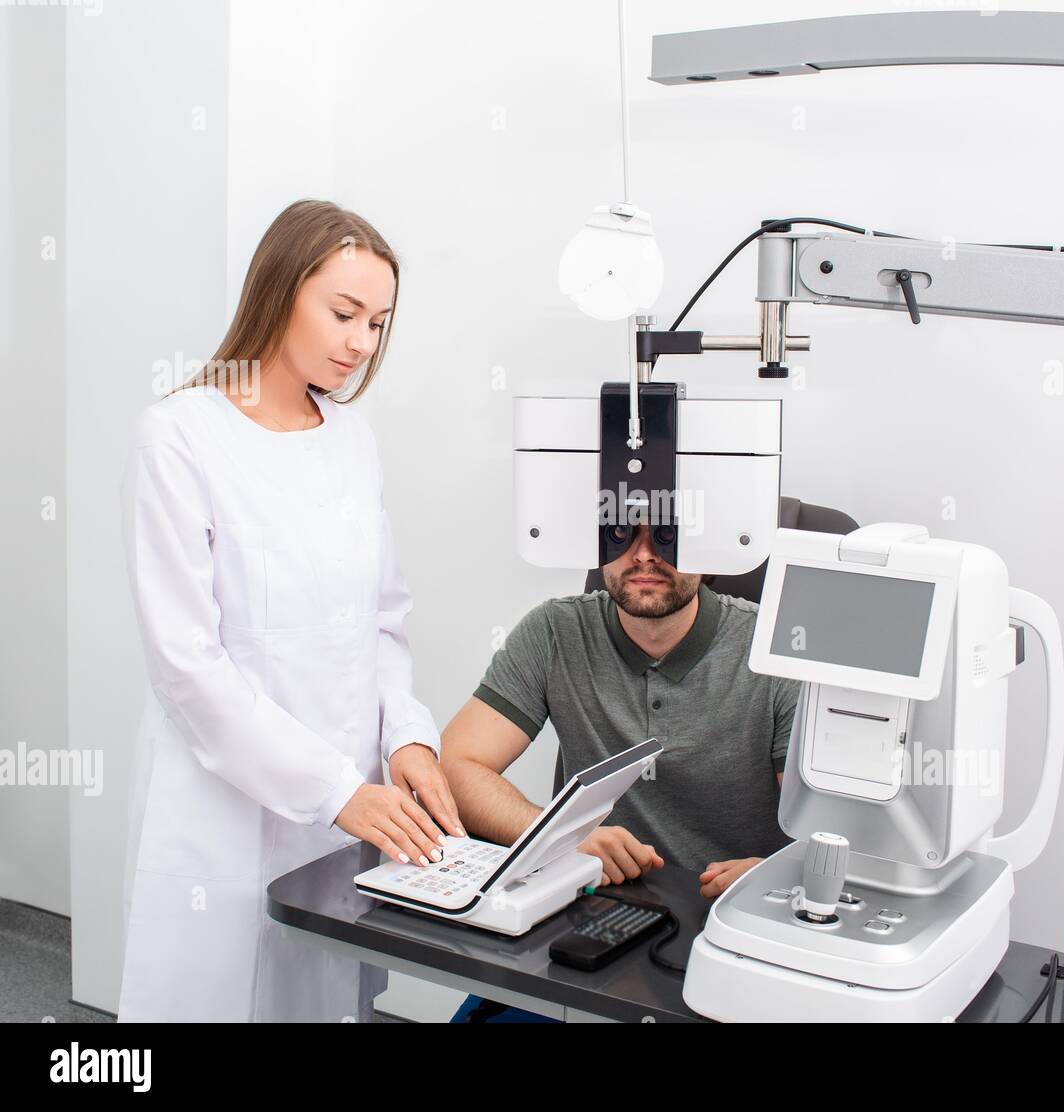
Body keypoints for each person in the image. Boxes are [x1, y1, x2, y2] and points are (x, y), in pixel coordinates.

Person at [118, 199, 462, 1022]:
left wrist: (406, 736)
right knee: (215, 998)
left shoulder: (350, 437)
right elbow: (187, 666)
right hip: (223, 805)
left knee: (316, 999)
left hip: (342, 807)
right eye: (343, 314)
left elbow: (382, 619)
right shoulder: (178, 436)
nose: (361, 344)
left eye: (378, 323)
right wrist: (334, 787)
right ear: (278, 292)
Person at [439, 521, 798, 1022]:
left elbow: (839, 830)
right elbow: (457, 766)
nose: (644, 555)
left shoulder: (775, 651)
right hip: (587, 919)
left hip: (727, 934)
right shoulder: (554, 631)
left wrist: (783, 876)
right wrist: (559, 836)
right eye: (620, 533)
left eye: (668, 536)